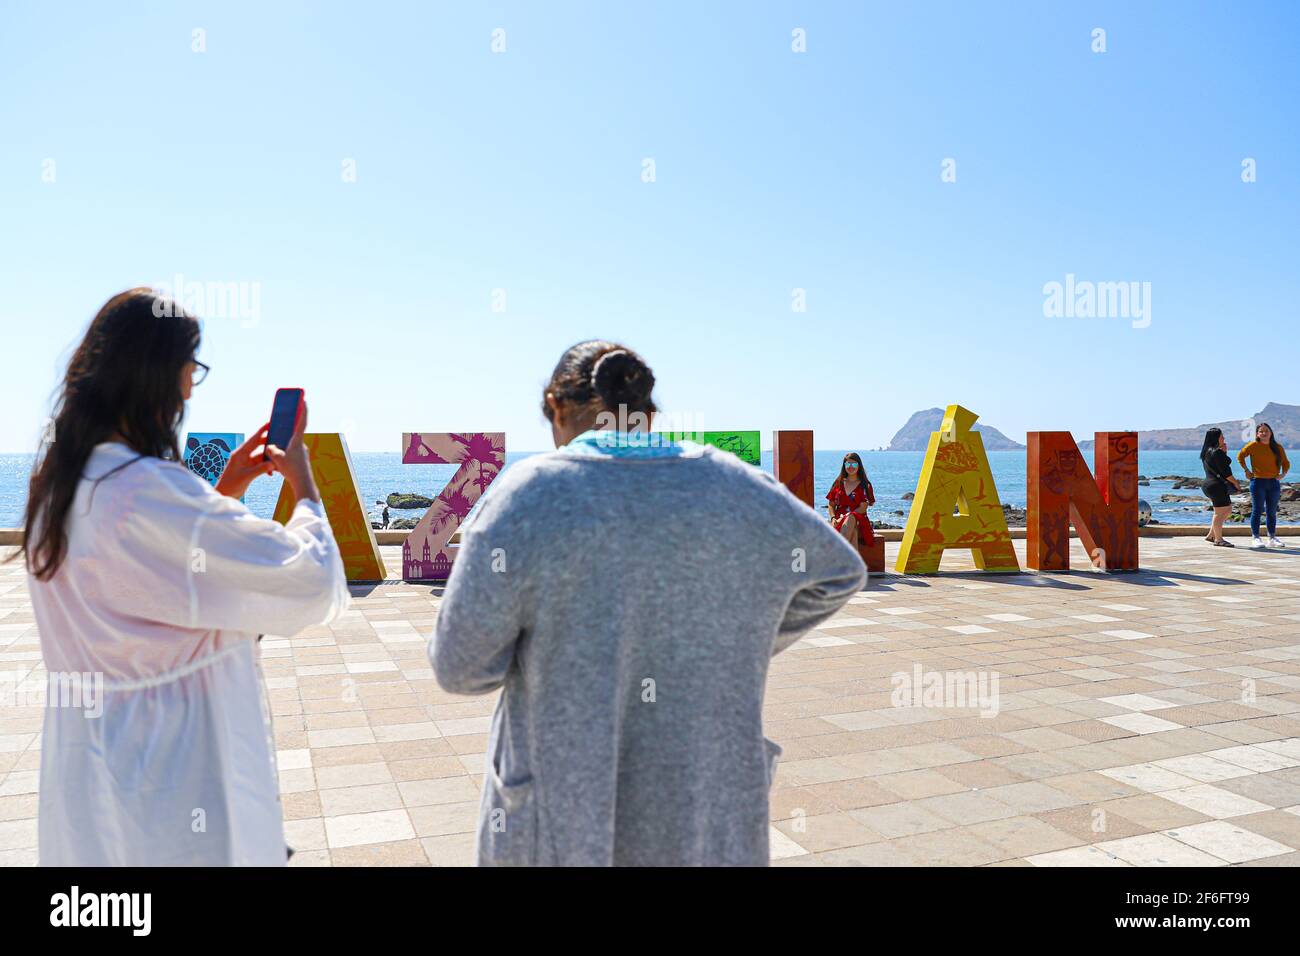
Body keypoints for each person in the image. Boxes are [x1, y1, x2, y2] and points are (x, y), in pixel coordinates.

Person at [429, 340, 866, 866]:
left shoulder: (527, 497)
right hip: (708, 814)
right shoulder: (738, 486)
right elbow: (839, 571)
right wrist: (734, 640)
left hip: (560, 821)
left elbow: (460, 667)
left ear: (556, 406)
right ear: (650, 415)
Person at [17, 289, 349, 866]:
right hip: (174, 780)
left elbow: (161, 584)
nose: (190, 388)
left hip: (89, 771)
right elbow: (307, 582)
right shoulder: (146, 489)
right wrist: (303, 481)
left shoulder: (59, 487)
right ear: (158, 375)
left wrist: (224, 492)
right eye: (189, 368)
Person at [1237, 422, 1290, 549]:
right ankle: (1256, 537)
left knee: (1272, 511)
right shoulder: (1253, 445)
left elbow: (1286, 463)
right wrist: (1246, 471)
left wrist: (1283, 474)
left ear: (1271, 433)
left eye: (1266, 431)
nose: (1264, 433)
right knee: (1257, 510)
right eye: (1261, 431)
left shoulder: (1277, 447)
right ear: (1257, 434)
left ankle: (1272, 538)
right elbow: (1240, 456)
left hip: (1273, 483)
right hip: (1257, 482)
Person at [1199, 427, 1240, 548]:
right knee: (1221, 512)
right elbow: (1226, 472)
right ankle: (1218, 539)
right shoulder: (1216, 452)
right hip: (1216, 486)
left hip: (1209, 485)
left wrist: (1224, 453)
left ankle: (1211, 535)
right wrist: (1236, 483)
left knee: (1225, 510)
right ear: (1216, 438)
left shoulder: (1207, 452)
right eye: (1222, 436)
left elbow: (1219, 466)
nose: (1224, 438)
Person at [827, 452, 875, 551]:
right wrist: (833, 518)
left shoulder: (865, 485)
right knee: (853, 532)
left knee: (851, 518)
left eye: (854, 464)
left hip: (859, 518)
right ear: (844, 466)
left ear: (859, 466)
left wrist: (845, 517)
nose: (851, 467)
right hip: (839, 519)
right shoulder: (838, 483)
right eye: (848, 464)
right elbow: (831, 504)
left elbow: (863, 508)